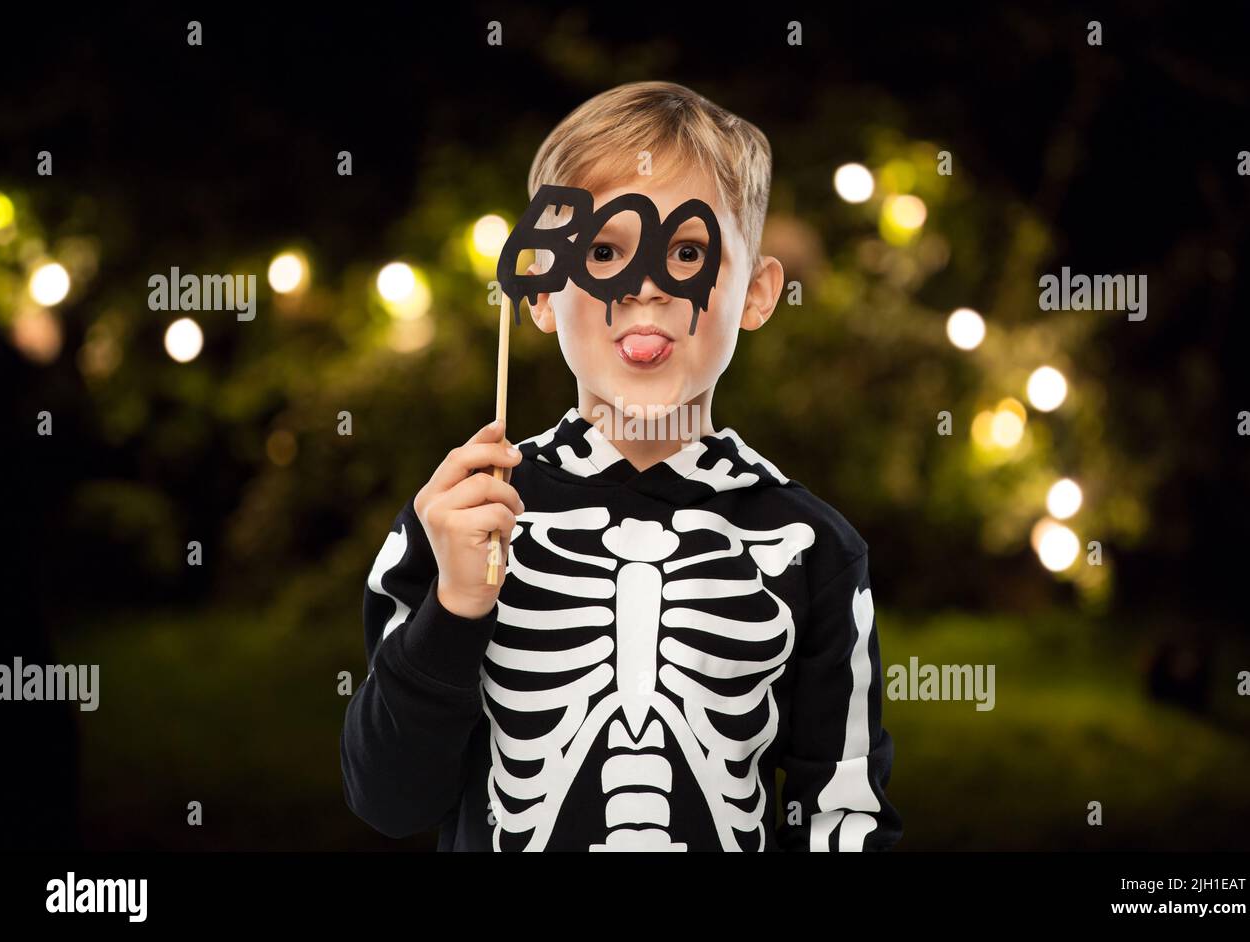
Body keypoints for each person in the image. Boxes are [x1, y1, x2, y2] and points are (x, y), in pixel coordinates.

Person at [341, 80, 902, 851]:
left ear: (757, 293)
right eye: (602, 251)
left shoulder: (814, 550)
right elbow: (389, 800)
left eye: (688, 252)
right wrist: (453, 609)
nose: (645, 286)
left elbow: (844, 816)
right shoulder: (462, 519)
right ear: (537, 290)